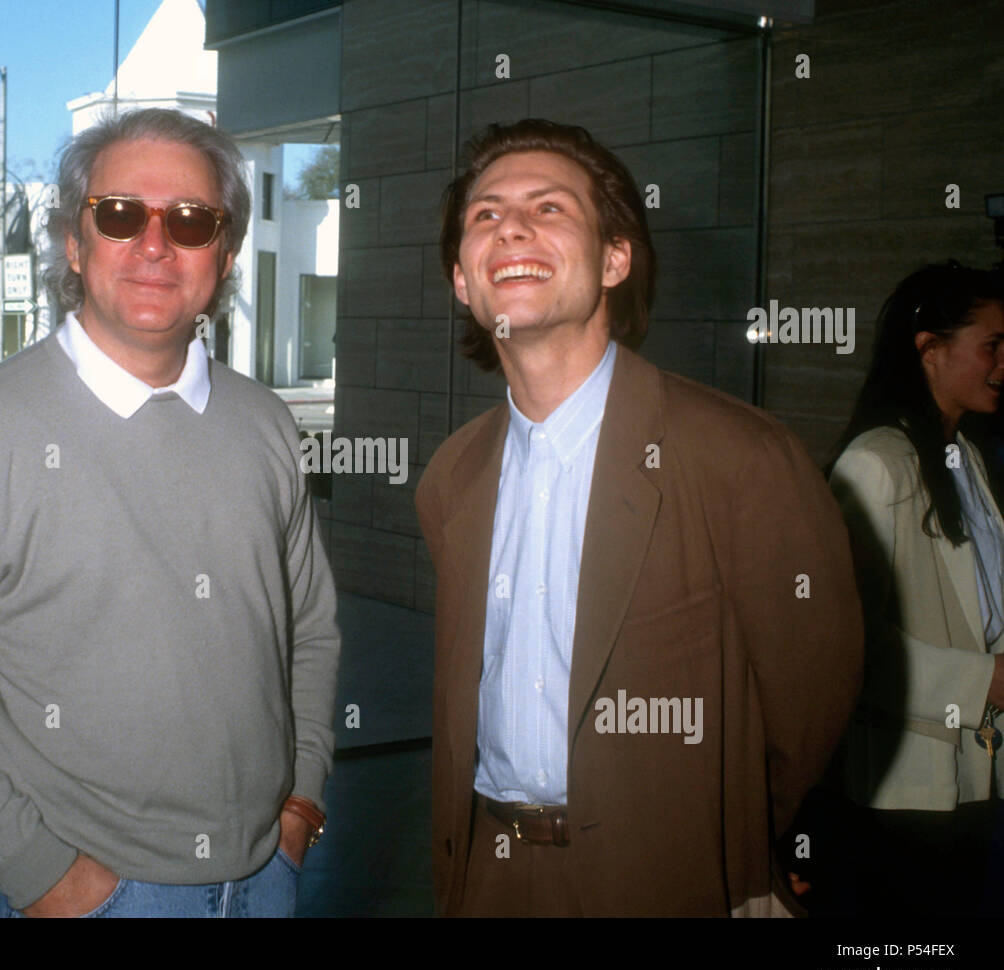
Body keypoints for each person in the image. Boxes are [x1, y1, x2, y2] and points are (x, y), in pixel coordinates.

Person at [0, 108, 340, 918]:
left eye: (190, 221)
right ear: (74, 245)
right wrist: (46, 876)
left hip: (266, 883)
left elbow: (309, 631)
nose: (154, 245)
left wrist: (299, 807)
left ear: (222, 254)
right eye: (119, 215)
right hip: (91, 900)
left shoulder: (264, 423)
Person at [414, 118, 864, 916]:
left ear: (616, 258)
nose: (510, 225)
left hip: (666, 877)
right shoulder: (452, 476)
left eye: (549, 208)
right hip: (488, 873)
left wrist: (743, 851)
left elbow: (812, 702)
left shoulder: (740, 456)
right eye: (485, 215)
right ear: (462, 279)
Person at [827, 262, 1004, 915]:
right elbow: (845, 645)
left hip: (968, 775)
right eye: (991, 344)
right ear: (929, 349)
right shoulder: (877, 462)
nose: (1003, 362)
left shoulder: (968, 461)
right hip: (900, 790)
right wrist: (982, 681)